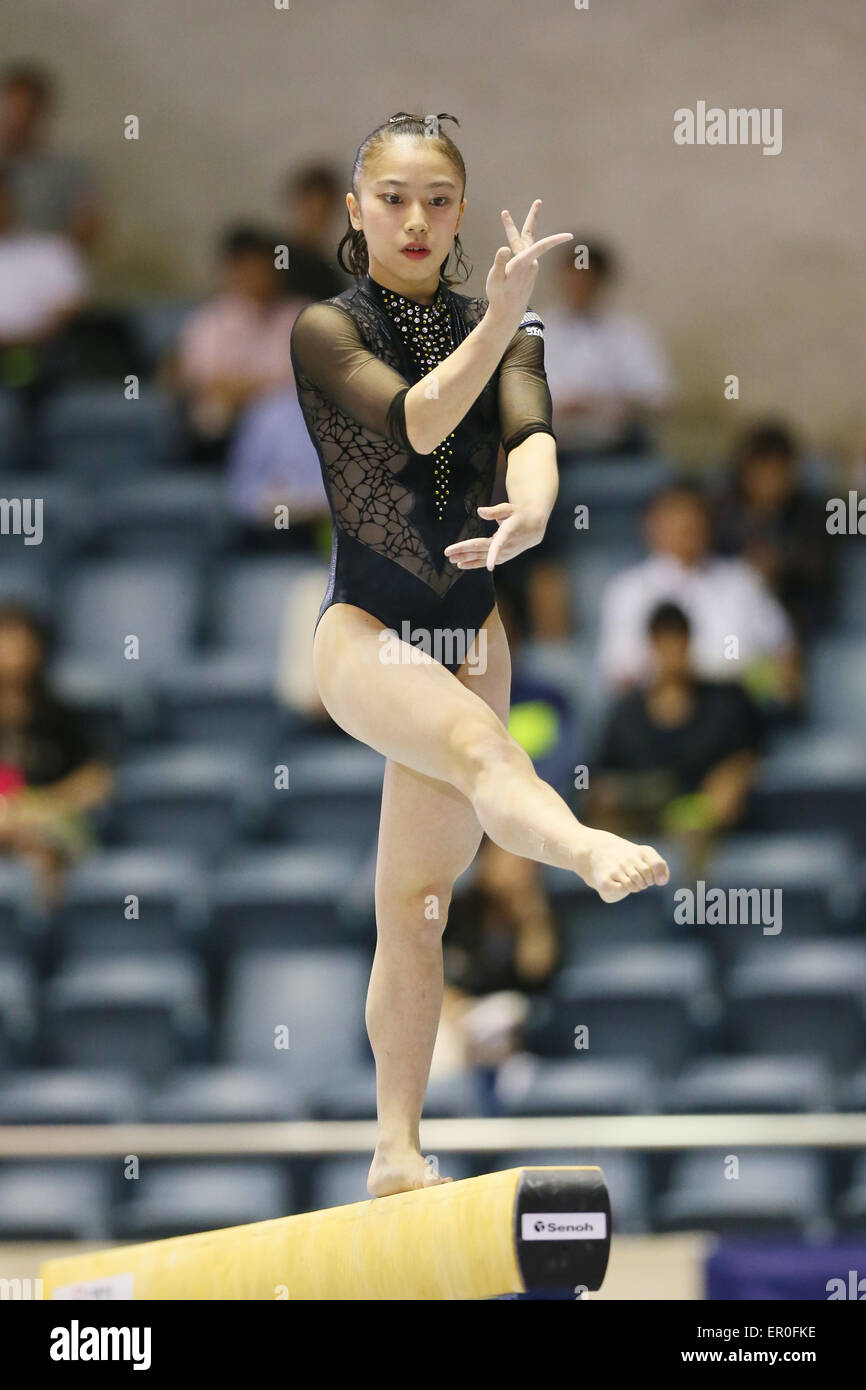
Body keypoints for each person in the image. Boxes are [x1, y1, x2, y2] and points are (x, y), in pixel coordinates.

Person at [290, 110, 669, 1199]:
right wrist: (499, 315)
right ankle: (578, 844)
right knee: (475, 744)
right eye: (394, 198)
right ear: (356, 210)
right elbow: (412, 422)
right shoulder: (325, 327)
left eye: (438, 200)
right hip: (362, 629)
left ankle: (395, 1145)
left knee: (416, 902)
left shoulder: (512, 328)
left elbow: (531, 438)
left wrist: (532, 514)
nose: (416, 219)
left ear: (460, 211)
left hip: (471, 627)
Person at [597, 481, 801, 711]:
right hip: (659, 721)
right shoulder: (627, 591)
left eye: (694, 517)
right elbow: (621, 676)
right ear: (650, 525)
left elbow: (784, 652)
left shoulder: (742, 581)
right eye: (675, 517)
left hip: (735, 717)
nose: (687, 526)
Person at [592, 603, 764, 874]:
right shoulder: (626, 714)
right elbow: (601, 778)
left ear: (690, 642)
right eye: (664, 641)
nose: (672, 651)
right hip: (640, 817)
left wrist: (736, 774)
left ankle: (690, 910)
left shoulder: (725, 702)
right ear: (651, 645)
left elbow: (749, 752)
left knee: (693, 834)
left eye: (678, 640)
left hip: (705, 820)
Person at [0, 604, 113, 908]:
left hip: (49, 818)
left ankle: (41, 931)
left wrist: (43, 807)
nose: (11, 653)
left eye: (20, 642)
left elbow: (97, 781)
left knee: (39, 848)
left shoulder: (59, 716)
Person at [167, 225, 306, 464]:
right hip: (226, 431)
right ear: (232, 269)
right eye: (247, 266)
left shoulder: (302, 315)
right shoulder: (209, 320)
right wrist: (255, 388)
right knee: (211, 418)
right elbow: (208, 382)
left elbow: (304, 379)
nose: (257, 274)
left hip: (289, 424)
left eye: (263, 266)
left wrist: (248, 389)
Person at [540, 238, 674, 459]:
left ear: (601, 281)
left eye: (586, 278)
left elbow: (658, 395)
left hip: (617, 447)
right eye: (572, 277)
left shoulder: (629, 333)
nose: (578, 286)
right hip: (551, 445)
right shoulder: (536, 330)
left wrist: (601, 405)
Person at [715, 421, 836, 639]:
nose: (770, 481)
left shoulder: (812, 517)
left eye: (778, 471)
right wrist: (744, 567)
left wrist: (781, 564)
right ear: (745, 470)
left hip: (798, 626)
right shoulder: (721, 516)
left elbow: (821, 576)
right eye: (763, 471)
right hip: (732, 623)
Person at [0, 64, 105, 251]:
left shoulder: (69, 170)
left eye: (25, 110)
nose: (16, 119)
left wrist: (52, 259)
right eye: (11, 108)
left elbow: (89, 225)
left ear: (41, 113)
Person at [276, 162, 352, 302]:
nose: (316, 219)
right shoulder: (281, 253)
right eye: (311, 210)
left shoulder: (328, 271)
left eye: (324, 211)